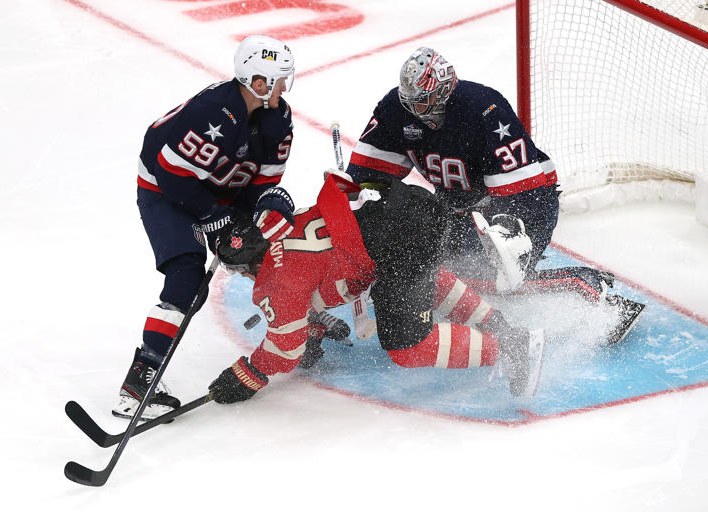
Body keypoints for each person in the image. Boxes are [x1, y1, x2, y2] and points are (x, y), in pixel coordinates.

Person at [207, 174, 546, 405]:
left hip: (400, 239)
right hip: (406, 204)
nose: (243, 277)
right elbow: (309, 279)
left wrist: (247, 375)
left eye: (237, 270)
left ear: (250, 263)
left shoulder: (275, 282)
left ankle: (509, 346)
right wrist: (312, 327)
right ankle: (495, 322)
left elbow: (284, 348)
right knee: (412, 277)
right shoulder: (282, 225)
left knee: (406, 345)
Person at [114, 35, 301, 420]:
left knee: (272, 254)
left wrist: (256, 216)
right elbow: (172, 175)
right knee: (186, 276)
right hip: (165, 192)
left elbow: (263, 183)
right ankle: (140, 381)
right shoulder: (214, 111)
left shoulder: (279, 118)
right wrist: (216, 218)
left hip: (218, 191)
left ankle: (302, 327)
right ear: (258, 82)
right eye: (279, 80)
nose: (285, 87)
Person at [345, 47, 560, 292]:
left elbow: (524, 192)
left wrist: (508, 234)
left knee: (490, 280)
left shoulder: (484, 108)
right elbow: (368, 175)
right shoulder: (396, 108)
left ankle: (581, 283)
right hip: (458, 210)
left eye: (424, 101)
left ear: (444, 89)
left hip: (529, 202)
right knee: (420, 261)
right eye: (411, 102)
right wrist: (355, 203)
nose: (417, 110)